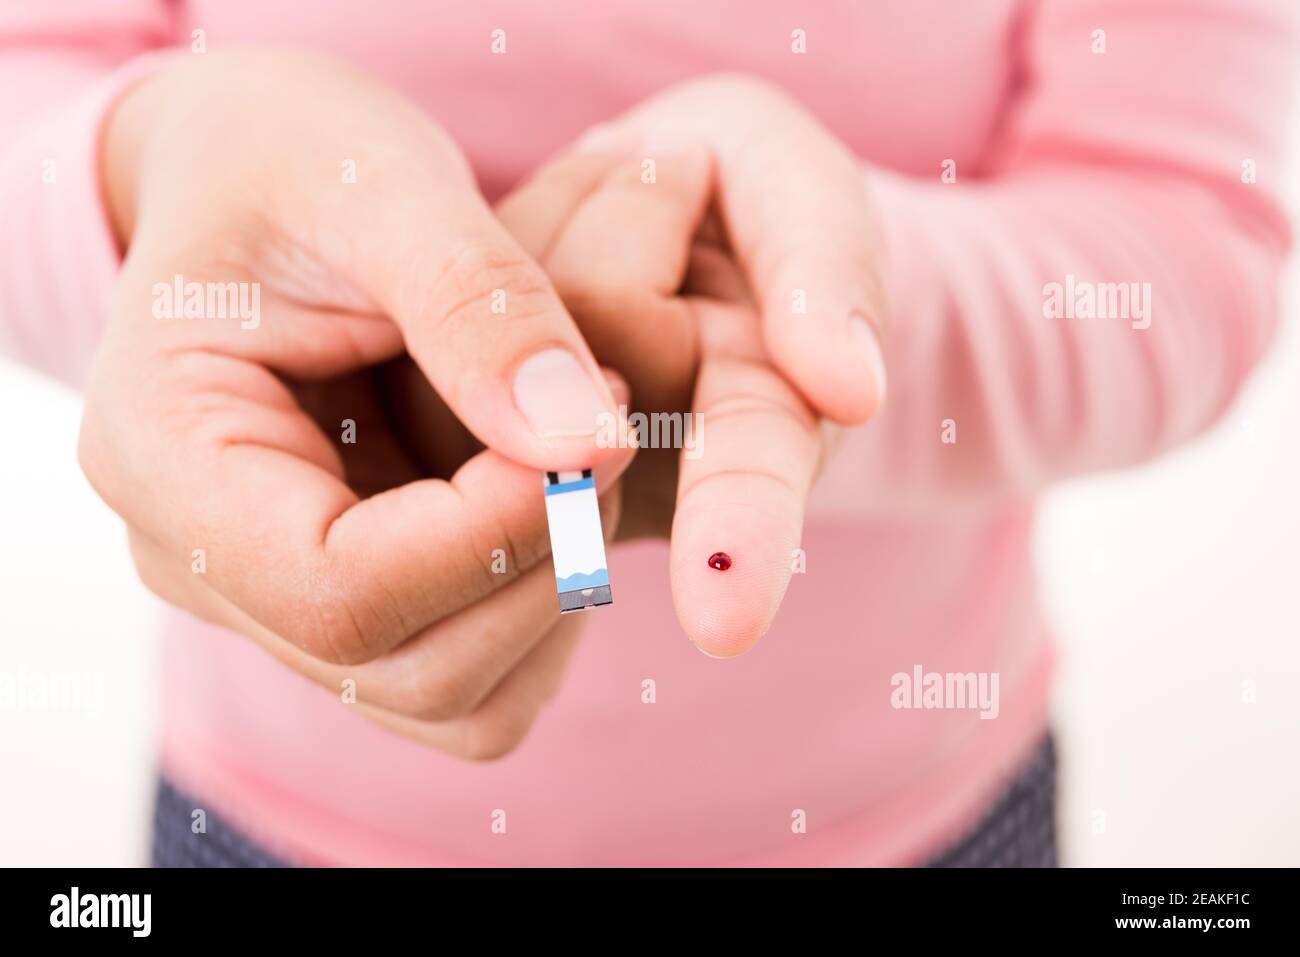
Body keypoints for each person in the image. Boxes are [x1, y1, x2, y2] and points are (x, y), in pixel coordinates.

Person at [1, 0, 1293, 866]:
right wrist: (149, 180)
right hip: (277, 818)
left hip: (913, 821)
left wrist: (835, 302)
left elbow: (1191, 235)